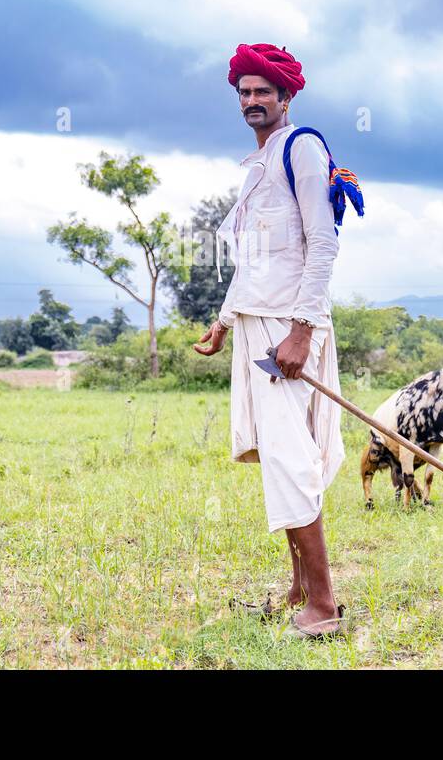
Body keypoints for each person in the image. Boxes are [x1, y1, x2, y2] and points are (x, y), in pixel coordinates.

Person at [193, 42, 346, 638]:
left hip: (289, 328)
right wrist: (224, 322)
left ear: (287, 97)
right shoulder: (256, 164)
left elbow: (322, 242)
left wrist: (302, 331)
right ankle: (300, 588)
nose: (252, 100)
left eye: (263, 91)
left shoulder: (302, 148)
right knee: (280, 456)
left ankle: (324, 607)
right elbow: (255, 261)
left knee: (289, 458)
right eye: (244, 92)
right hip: (259, 323)